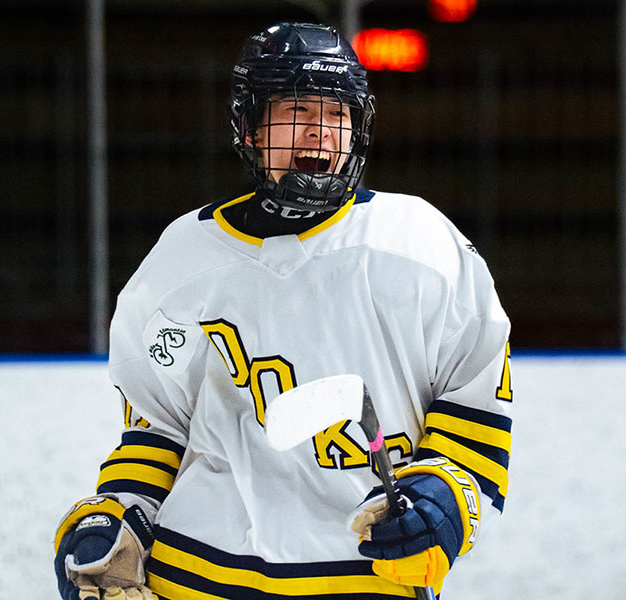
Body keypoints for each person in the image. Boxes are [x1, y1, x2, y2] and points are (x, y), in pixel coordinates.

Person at [53, 21, 513, 600]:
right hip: (196, 580)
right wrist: (119, 518)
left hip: (368, 579)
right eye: (297, 109)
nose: (320, 132)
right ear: (248, 126)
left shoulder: (421, 246)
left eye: (338, 114)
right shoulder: (181, 262)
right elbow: (157, 426)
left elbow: (475, 409)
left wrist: (442, 499)